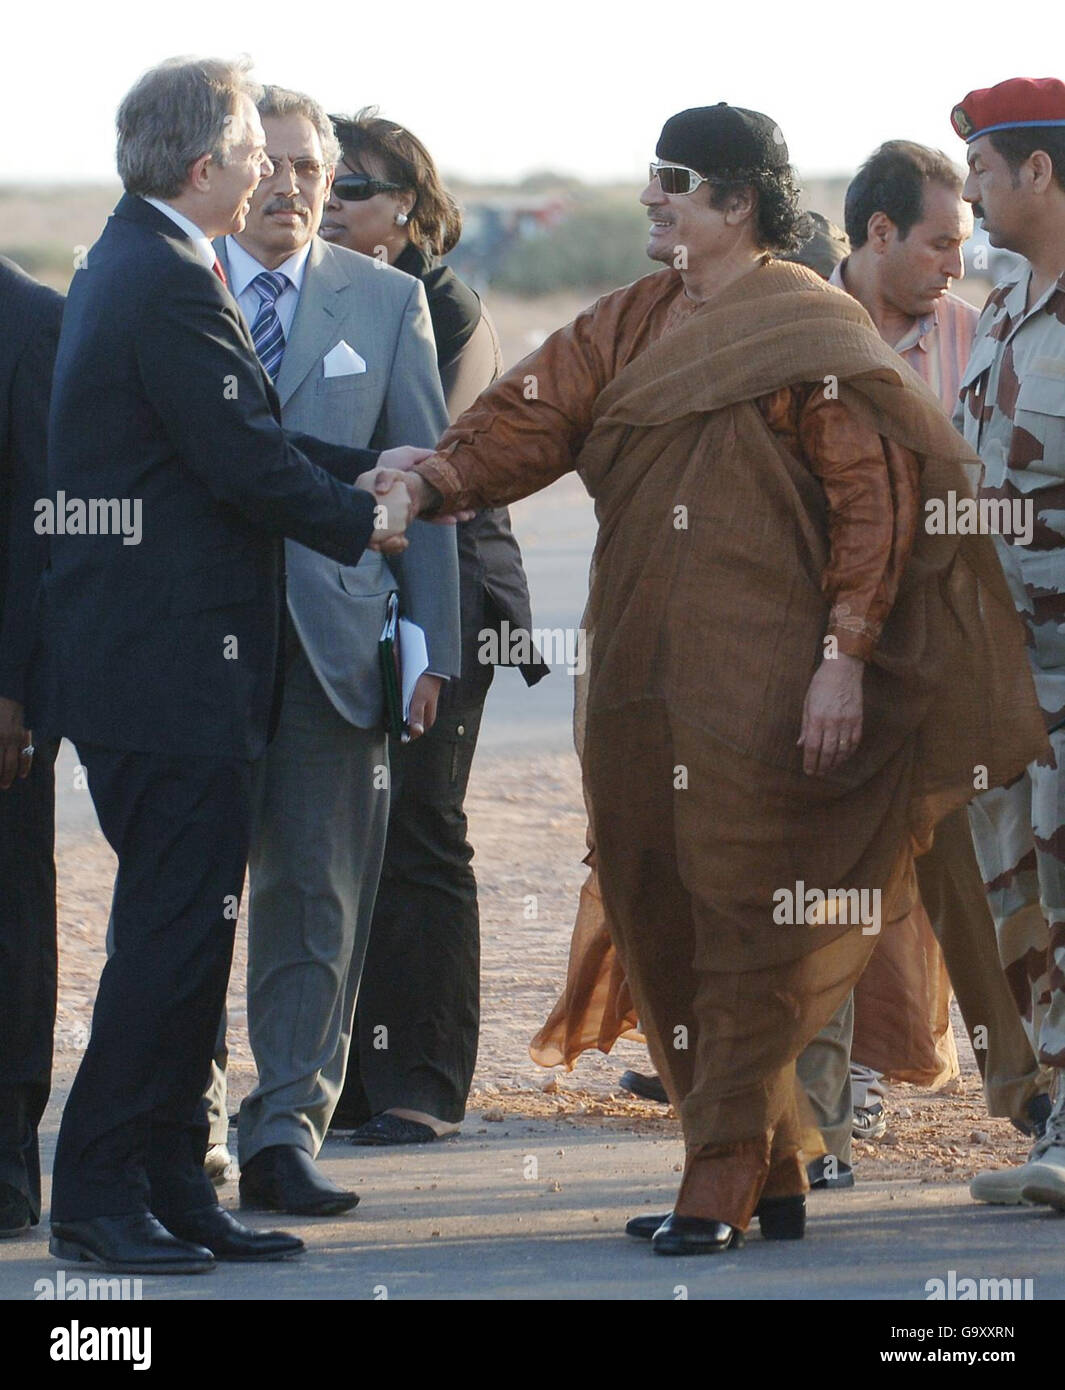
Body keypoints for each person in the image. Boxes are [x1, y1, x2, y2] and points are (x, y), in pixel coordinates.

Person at [397, 102, 1046, 1255]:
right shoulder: (630, 320)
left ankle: (724, 1167)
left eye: (676, 180)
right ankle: (777, 1160)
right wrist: (433, 478)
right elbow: (533, 415)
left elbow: (875, 509)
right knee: (662, 902)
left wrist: (844, 661)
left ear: (739, 203)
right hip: (637, 681)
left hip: (767, 688)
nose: (654, 196)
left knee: (749, 912)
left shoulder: (809, 329)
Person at [30, 56, 422, 1275]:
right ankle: (97, 1193)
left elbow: (238, 426)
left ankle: (167, 1189)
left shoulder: (145, 258)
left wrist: (357, 471)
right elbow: (242, 465)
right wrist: (371, 520)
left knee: (191, 934)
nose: (272, 169)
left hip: (171, 669)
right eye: (257, 148)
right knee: (165, 938)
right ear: (205, 166)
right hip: (164, 675)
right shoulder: (159, 275)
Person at [204, 85, 458, 1217]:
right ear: (233, 169)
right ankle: (188, 1121)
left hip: (333, 643)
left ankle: (285, 1131)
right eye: (282, 164)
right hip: (193, 645)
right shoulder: (178, 283)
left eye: (322, 171)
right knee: (188, 892)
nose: (300, 187)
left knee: (318, 895)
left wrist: (430, 646)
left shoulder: (388, 300)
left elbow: (426, 483)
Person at [817, 141, 1052, 1166]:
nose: (955, 262)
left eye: (967, 232)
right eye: (939, 240)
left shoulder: (977, 329)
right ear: (877, 236)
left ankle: (1029, 1090)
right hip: (850, 655)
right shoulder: (803, 335)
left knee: (987, 877)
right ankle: (823, 1111)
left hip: (976, 667)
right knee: (829, 880)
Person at [324, 109, 546, 1145]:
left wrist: (427, 640)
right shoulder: (331, 298)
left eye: (351, 189)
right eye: (322, 183)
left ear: (408, 206)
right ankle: (358, 1080)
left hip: (452, 601)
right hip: (358, 592)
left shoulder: (446, 312)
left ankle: (427, 1078)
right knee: (355, 833)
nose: (329, 204)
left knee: (421, 826)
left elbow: (434, 473)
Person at [949, 76, 1065, 1210]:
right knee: (1023, 910)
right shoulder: (996, 312)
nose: (972, 192)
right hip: (1001, 675)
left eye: (985, 169)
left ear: (1040, 172)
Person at [0, 256, 62, 1238]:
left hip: (1, 699)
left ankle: (9, 1158)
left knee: (8, 916)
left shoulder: (31, 321)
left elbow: (41, 522)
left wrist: (14, 689)